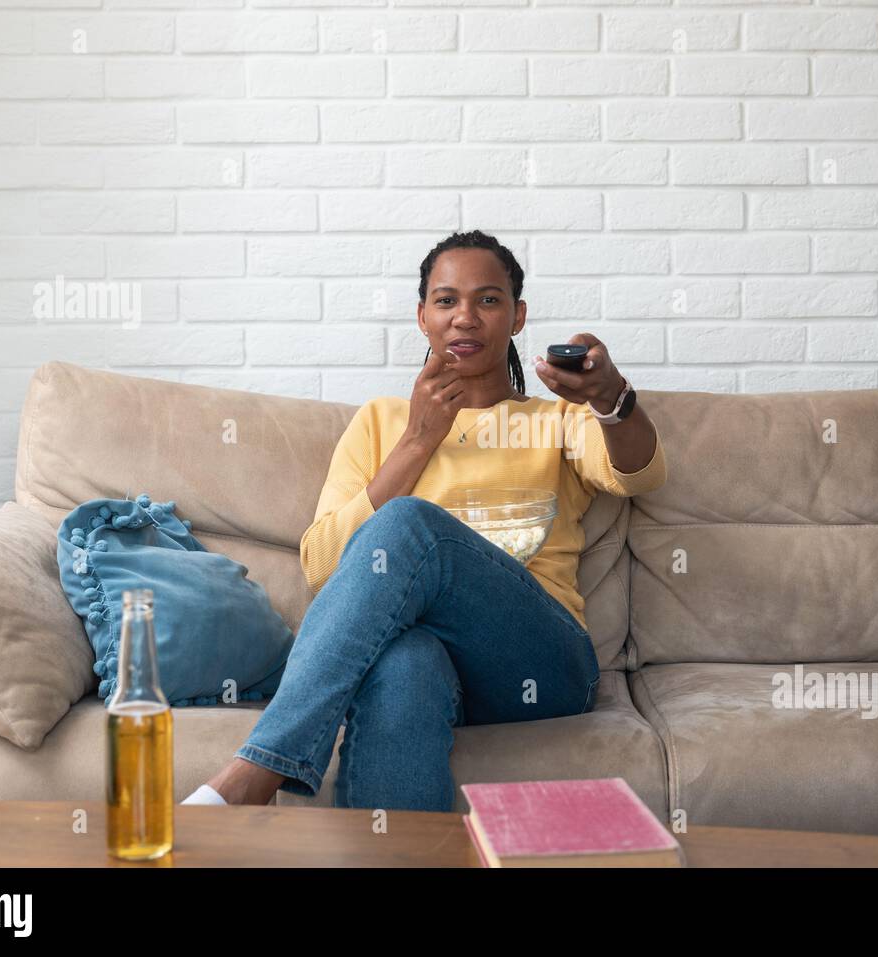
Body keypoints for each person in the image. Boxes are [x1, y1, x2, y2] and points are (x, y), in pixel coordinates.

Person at [182, 229, 667, 810]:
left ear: (517, 317)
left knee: (412, 523)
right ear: (422, 317)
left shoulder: (556, 418)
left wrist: (610, 394)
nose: (465, 317)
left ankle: (258, 770)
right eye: (446, 301)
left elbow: (638, 473)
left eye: (488, 300)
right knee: (404, 663)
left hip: (537, 664)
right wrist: (416, 441)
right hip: (429, 665)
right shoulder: (380, 421)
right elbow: (322, 567)